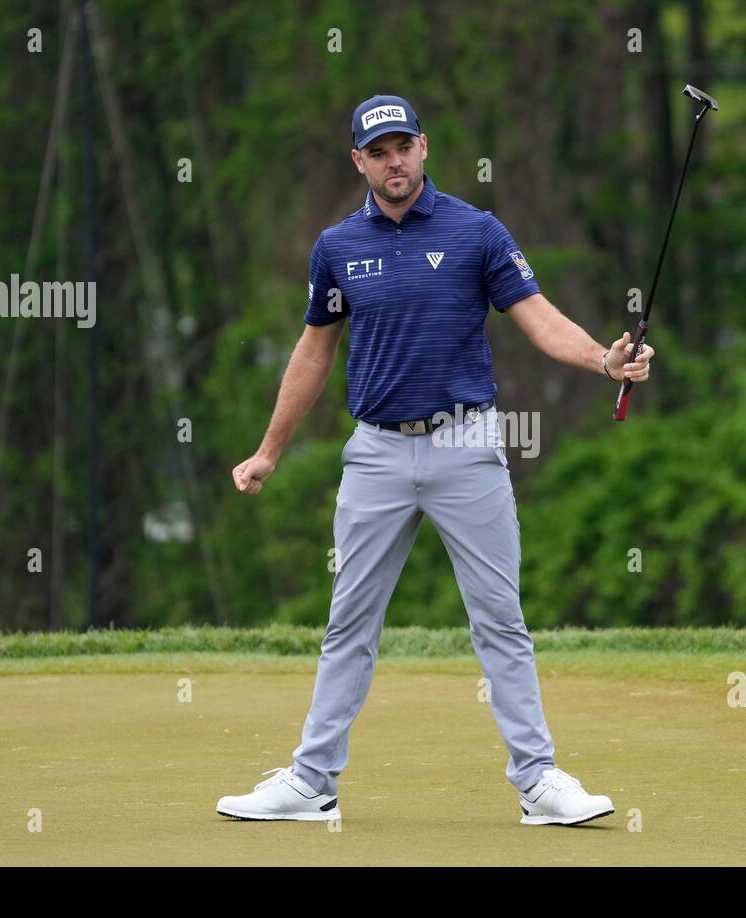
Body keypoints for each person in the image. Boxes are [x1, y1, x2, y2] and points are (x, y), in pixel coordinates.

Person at [218, 94, 654, 826]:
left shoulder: (475, 231)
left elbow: (537, 315)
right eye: (378, 151)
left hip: (465, 444)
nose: (394, 162)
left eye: (404, 147)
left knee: (500, 619)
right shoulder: (336, 247)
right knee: (349, 621)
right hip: (376, 453)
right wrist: (268, 452)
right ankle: (311, 781)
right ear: (359, 160)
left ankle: (539, 781)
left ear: (424, 147)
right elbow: (314, 351)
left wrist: (603, 360)